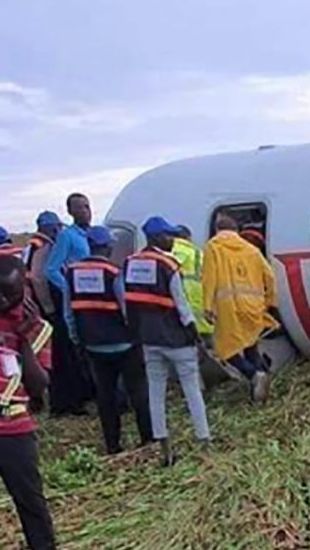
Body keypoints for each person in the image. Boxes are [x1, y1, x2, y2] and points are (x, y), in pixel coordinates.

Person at [0, 256, 63, 550]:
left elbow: (39, 385)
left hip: (14, 428)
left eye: (9, 294)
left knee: (31, 506)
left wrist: (23, 338)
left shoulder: (38, 329)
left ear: (23, 291)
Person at [123, 217, 211, 466]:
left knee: (156, 393)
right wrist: (195, 336)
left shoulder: (130, 264)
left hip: (149, 340)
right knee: (192, 390)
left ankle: (164, 448)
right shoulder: (168, 265)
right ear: (157, 237)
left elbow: (130, 305)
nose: (173, 240)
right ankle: (204, 440)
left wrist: (136, 337)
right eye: (168, 236)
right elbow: (182, 306)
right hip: (176, 339)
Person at [63, 226, 153, 455]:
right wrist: (136, 335)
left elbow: (68, 312)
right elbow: (125, 308)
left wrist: (77, 338)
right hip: (123, 343)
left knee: (105, 396)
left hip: (92, 344)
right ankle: (147, 439)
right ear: (106, 247)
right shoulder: (113, 272)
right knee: (138, 392)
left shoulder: (71, 273)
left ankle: (113, 444)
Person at [202, 214, 278, 403]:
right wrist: (270, 302)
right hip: (253, 306)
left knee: (225, 350)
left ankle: (253, 375)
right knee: (250, 345)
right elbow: (269, 276)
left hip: (229, 307)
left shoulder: (213, 247)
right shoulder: (252, 249)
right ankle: (261, 387)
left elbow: (209, 278)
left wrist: (207, 306)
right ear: (236, 231)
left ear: (217, 230)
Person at [45, 193, 96, 416]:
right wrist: (70, 288)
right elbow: (50, 269)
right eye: (81, 207)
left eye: (87, 206)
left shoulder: (93, 234)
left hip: (98, 300)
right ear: (71, 212)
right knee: (78, 349)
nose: (86, 211)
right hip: (80, 301)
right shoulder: (67, 237)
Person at [170, 226, 213, 339]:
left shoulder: (174, 250)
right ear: (188, 237)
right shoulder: (197, 252)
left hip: (183, 293)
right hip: (199, 294)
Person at [24, 212, 62, 317]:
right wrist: (49, 308)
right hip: (44, 302)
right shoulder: (43, 247)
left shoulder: (30, 246)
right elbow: (38, 279)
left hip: (33, 298)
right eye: (58, 227)